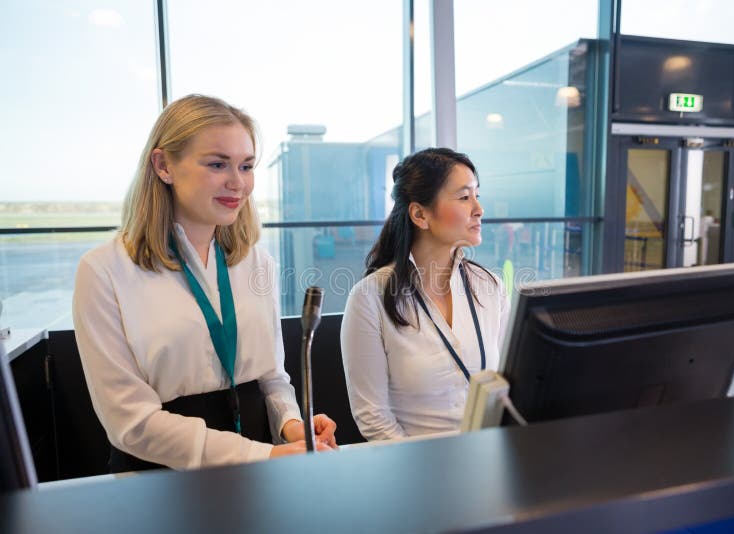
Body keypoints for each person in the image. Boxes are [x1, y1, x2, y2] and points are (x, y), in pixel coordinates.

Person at [73, 94, 336, 472]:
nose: (237, 182)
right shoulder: (103, 271)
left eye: (246, 166)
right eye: (217, 164)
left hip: (258, 463)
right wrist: (261, 454)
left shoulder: (256, 261)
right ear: (163, 165)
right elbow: (130, 424)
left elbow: (272, 377)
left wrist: (292, 426)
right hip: (160, 475)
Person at [341, 148, 510, 441]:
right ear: (420, 214)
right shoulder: (369, 298)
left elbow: (509, 387)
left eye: (477, 195)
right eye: (463, 197)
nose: (478, 209)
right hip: (414, 471)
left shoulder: (490, 287)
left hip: (486, 460)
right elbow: (373, 416)